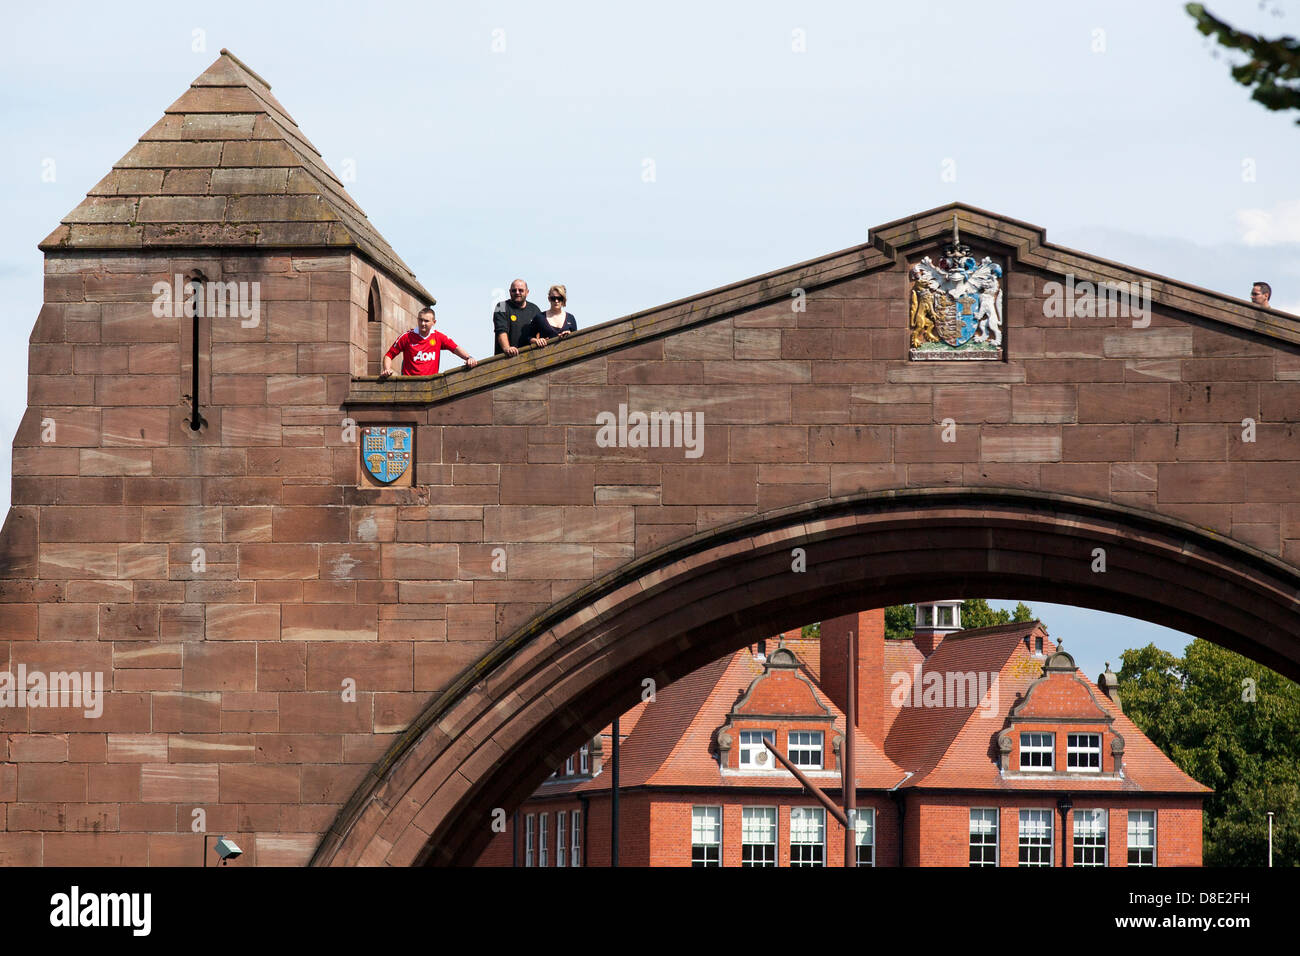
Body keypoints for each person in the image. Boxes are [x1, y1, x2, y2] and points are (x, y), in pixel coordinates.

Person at [379, 306, 476, 377]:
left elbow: (455, 348)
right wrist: (387, 369)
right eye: (420, 320)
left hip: (430, 385)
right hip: (409, 384)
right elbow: (389, 355)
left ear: (434, 322)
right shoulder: (406, 337)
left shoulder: (439, 337)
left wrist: (469, 358)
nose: (422, 323)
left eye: (426, 321)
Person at [494, 279, 541, 356]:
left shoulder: (535, 309)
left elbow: (539, 333)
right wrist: (507, 348)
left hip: (530, 357)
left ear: (527, 292)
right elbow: (501, 331)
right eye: (514, 290)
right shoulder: (501, 306)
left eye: (521, 290)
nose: (517, 292)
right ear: (509, 292)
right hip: (507, 358)